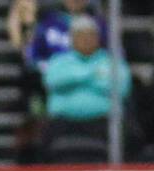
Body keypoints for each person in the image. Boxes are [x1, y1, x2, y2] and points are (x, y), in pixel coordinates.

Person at [41, 15, 130, 152]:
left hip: (103, 121)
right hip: (63, 122)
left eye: (90, 35)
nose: (86, 40)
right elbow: (52, 81)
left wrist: (74, 78)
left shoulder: (112, 61)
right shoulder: (59, 61)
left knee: (129, 134)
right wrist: (93, 75)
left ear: (98, 38)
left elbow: (122, 87)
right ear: (72, 39)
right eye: (81, 36)